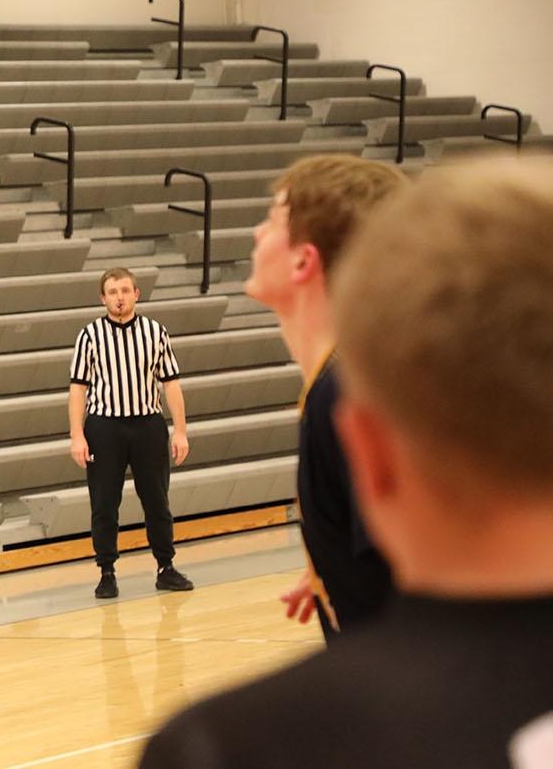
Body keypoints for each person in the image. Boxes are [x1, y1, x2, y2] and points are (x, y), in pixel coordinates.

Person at [140, 159, 553, 769]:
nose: (256, 233)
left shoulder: (230, 744)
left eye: (271, 219)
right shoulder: (335, 389)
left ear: (372, 451)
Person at [242, 155, 406, 638]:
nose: (256, 234)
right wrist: (331, 569)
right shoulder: (347, 378)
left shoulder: (351, 391)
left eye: (272, 220)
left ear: (303, 260)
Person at [68, 268, 193, 599]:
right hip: (104, 427)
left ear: (137, 294)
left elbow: (171, 384)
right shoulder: (90, 335)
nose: (119, 297)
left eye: (124, 290)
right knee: (104, 502)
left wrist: (180, 430)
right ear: (103, 298)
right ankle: (106, 571)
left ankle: (165, 567)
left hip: (147, 425)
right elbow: (78, 389)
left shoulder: (155, 332)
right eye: (112, 291)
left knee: (157, 499)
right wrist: (77, 435)